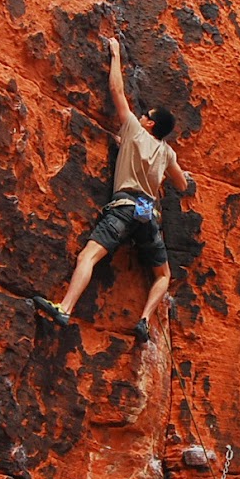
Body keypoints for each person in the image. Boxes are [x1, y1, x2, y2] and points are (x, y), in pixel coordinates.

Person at [35, 35, 192, 341]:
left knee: (88, 257)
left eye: (146, 115)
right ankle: (145, 320)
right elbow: (182, 183)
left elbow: (116, 90)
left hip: (124, 208)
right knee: (163, 275)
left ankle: (65, 307)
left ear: (148, 124)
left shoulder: (134, 129)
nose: (142, 115)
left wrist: (116, 52)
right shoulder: (167, 152)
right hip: (148, 213)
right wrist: (171, 172)